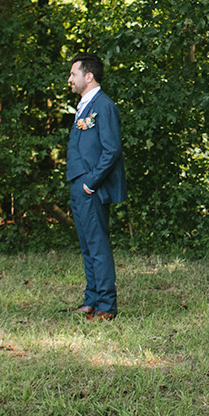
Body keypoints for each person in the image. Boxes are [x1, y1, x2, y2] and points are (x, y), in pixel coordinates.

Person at [66, 52, 126, 321]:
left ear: (88, 76)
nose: (70, 79)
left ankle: (106, 305)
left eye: (73, 74)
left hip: (92, 187)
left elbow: (112, 150)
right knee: (87, 246)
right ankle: (92, 299)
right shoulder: (85, 105)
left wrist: (90, 183)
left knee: (98, 246)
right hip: (79, 184)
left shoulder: (104, 106)